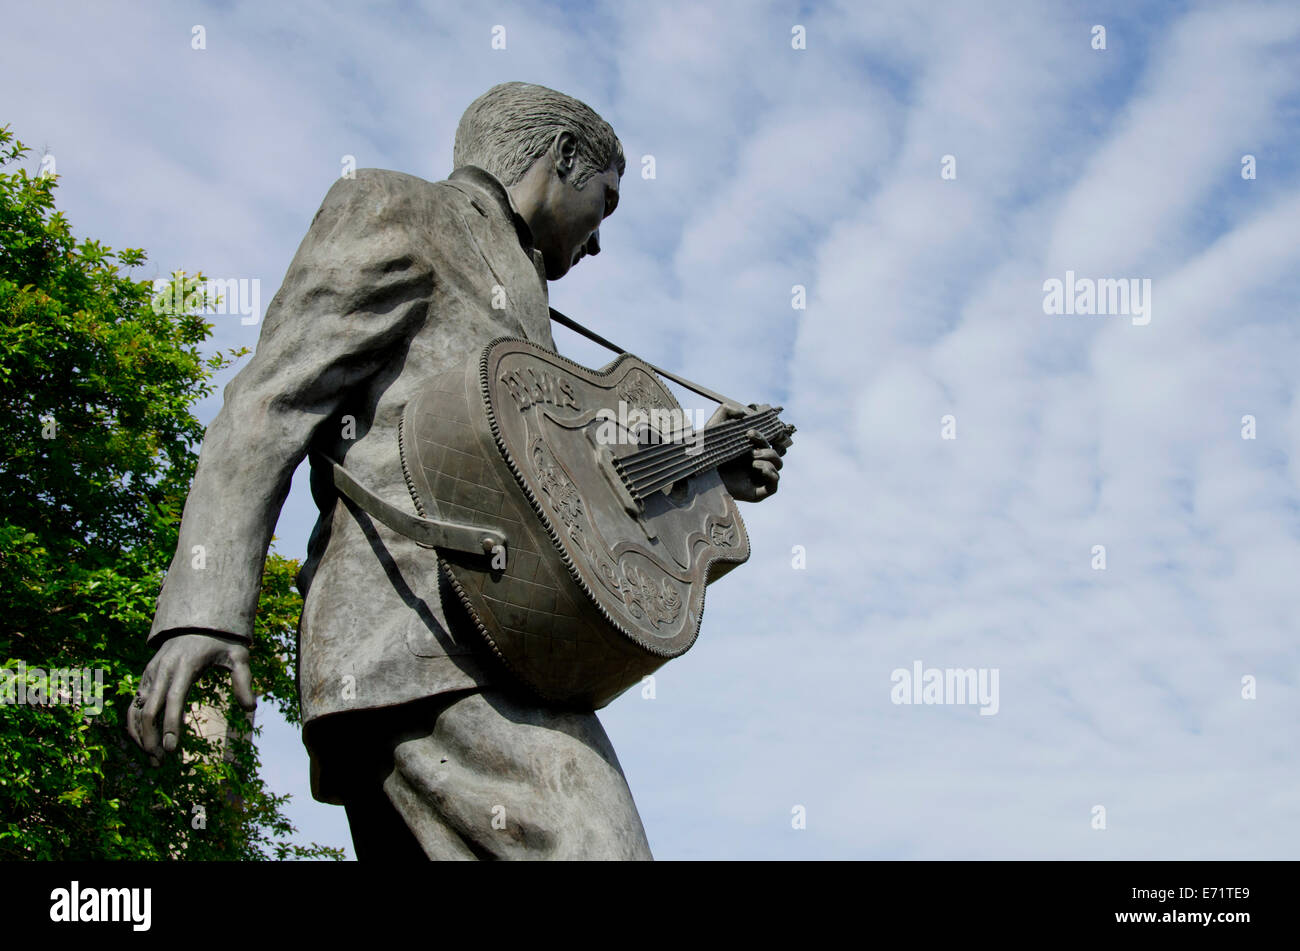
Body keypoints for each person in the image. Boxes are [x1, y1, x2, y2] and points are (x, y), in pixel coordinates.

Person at [127, 82, 784, 860]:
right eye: (604, 204)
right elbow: (267, 403)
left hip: (490, 645)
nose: (601, 241)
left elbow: (558, 472)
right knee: (595, 841)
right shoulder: (393, 207)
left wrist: (704, 465)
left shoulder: (522, 291)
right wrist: (205, 609)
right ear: (562, 157)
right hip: (415, 640)